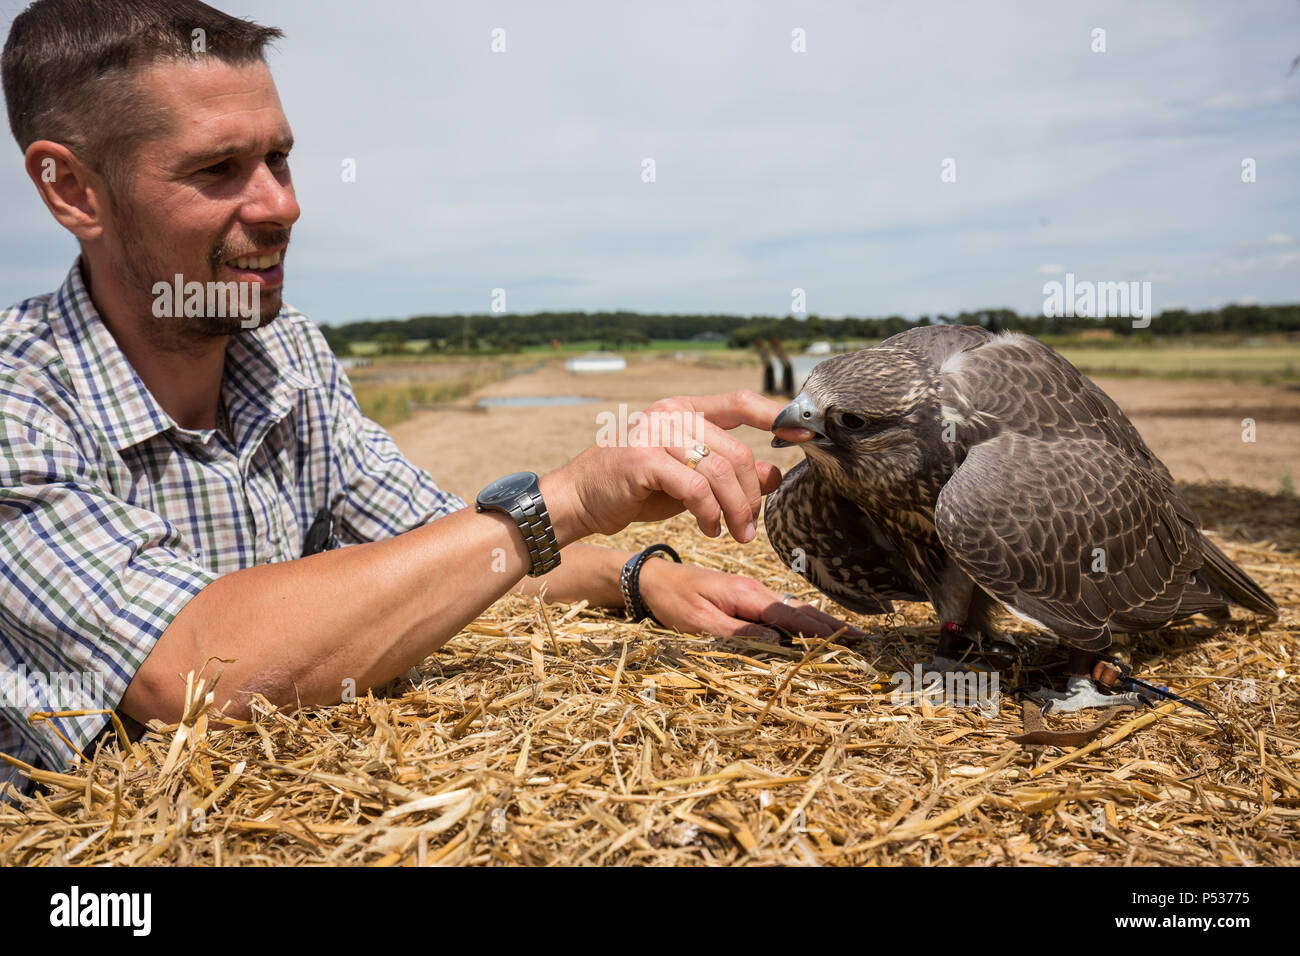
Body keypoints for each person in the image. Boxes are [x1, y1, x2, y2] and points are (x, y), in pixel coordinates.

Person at [0, 0, 855, 793]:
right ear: (72, 190)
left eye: (279, 157)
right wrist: (570, 497)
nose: (283, 204)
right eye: (218, 169)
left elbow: (435, 550)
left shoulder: (281, 349)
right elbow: (193, 675)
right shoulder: (16, 398)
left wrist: (632, 579)